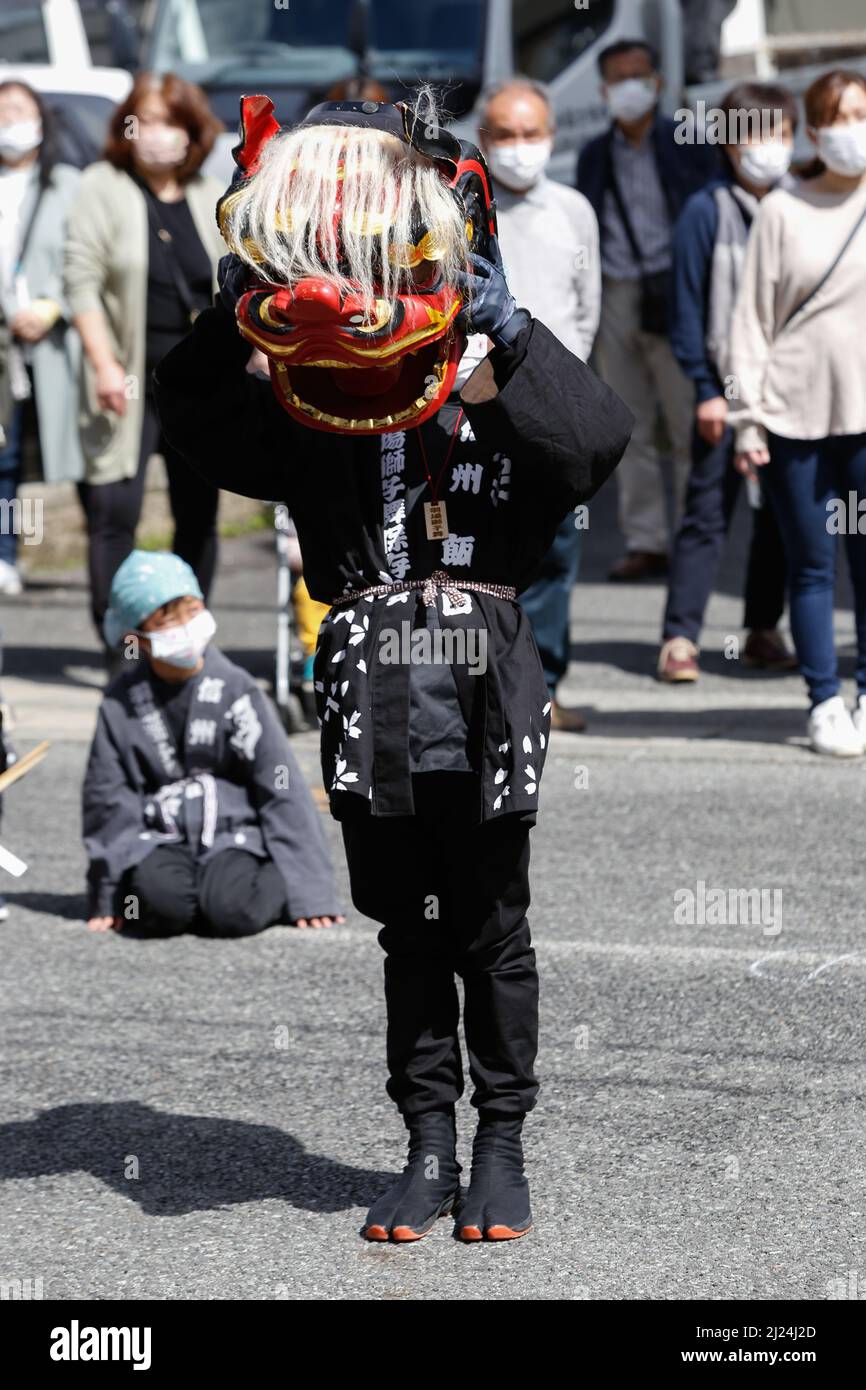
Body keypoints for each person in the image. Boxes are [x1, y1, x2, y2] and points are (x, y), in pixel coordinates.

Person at [154, 92, 633, 1242]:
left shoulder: (496, 371)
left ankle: (500, 1139)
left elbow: (594, 445)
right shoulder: (315, 393)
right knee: (407, 923)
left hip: (483, 672)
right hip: (370, 673)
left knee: (489, 919)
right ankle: (425, 1142)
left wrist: (501, 336)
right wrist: (240, 306)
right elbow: (195, 424)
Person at [83, 549, 344, 935]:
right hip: (161, 835)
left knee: (232, 911)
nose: (186, 626)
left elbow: (280, 784)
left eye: (192, 610)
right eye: (169, 620)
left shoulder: (237, 690)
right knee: (158, 907)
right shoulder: (120, 702)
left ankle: (268, 878)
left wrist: (312, 892)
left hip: (235, 834)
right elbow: (108, 796)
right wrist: (107, 892)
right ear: (135, 638)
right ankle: (179, 891)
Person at [728, 70, 866, 756]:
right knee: (812, 565)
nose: (852, 131)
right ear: (814, 131)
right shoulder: (783, 209)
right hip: (792, 413)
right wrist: (746, 417)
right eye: (839, 119)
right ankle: (822, 699)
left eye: (862, 115)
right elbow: (750, 319)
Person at [64, 73, 226, 651]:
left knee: (198, 512)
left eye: (171, 123)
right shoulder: (101, 186)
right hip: (126, 380)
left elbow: (235, 284)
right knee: (115, 511)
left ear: (193, 133)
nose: (158, 135)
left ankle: (183, 634)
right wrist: (105, 365)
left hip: (198, 385)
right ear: (127, 128)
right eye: (146, 122)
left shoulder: (210, 193)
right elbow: (79, 281)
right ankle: (123, 644)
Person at [657, 82, 799, 682]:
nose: (771, 147)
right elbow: (686, 308)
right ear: (729, 144)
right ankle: (680, 639)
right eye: (757, 134)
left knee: (783, 515)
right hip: (725, 388)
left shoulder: (801, 205)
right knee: (708, 512)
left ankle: (764, 629)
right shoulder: (706, 210)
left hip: (793, 392)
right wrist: (706, 389)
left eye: (781, 133)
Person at [479, 77, 600, 731]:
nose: (520, 148)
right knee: (485, 548)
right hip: (477, 404)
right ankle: (490, 686)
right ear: (484, 139)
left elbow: (587, 308)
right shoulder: (463, 207)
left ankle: (543, 687)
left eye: (531, 135)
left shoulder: (574, 210)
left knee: (557, 551)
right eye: (506, 135)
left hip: (555, 410)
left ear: (551, 136)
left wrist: (569, 387)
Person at [578, 38, 718, 581]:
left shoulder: (687, 141)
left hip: (678, 293)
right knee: (628, 424)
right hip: (617, 293)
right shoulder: (594, 152)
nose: (631, 87)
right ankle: (646, 540)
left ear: (657, 82)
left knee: (687, 423)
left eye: (640, 75)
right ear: (604, 91)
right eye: (620, 78)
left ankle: (692, 536)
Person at [0, 80, 83, 595]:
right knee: (5, 453)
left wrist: (53, 305)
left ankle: (103, 552)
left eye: (19, 109)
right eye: (1, 110)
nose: (10, 119)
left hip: (56, 339)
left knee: (68, 447)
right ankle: (6, 555)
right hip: (4, 340)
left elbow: (83, 257)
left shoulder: (69, 183)